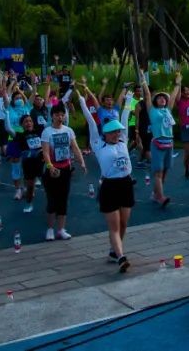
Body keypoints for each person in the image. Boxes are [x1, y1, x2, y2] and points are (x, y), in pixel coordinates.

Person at [77, 86, 134, 271]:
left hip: (126, 183)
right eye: (113, 132)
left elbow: (125, 114)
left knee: (124, 223)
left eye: (118, 131)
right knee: (115, 226)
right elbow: (90, 121)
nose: (117, 133)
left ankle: (113, 251)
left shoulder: (123, 140)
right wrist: (82, 101)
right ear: (106, 133)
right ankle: (121, 257)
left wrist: (129, 98)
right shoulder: (98, 144)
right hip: (110, 186)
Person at [40, 103, 86, 240]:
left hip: (66, 169)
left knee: (63, 199)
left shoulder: (68, 130)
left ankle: (61, 229)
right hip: (52, 170)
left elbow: (75, 148)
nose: (60, 117)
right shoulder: (47, 132)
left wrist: (81, 161)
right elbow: (46, 152)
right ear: (52, 116)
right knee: (52, 200)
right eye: (57, 115)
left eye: (62, 114)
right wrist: (50, 166)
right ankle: (50, 229)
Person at [143, 73, 179, 208]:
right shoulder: (152, 111)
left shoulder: (167, 110)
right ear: (155, 101)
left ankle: (155, 193)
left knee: (165, 171)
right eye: (159, 98)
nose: (163, 99)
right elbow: (147, 95)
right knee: (158, 172)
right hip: (157, 144)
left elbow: (174, 97)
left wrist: (177, 84)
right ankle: (160, 197)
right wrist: (143, 81)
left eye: (164, 98)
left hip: (169, 144)